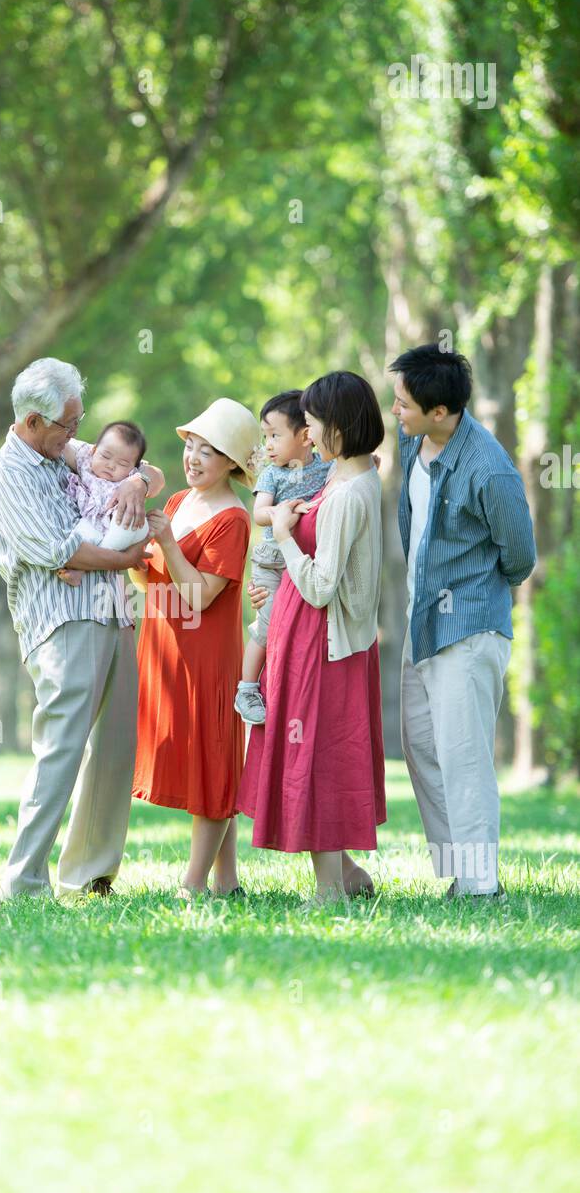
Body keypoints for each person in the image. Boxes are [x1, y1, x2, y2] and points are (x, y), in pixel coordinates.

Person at [0, 356, 164, 900]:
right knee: (60, 749)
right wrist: (131, 555)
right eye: (68, 426)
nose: (77, 436)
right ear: (34, 421)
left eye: (80, 426)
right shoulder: (12, 475)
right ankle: (24, 881)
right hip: (63, 623)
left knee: (113, 748)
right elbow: (63, 552)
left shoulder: (63, 449)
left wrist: (136, 483)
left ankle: (89, 875)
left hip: (112, 614)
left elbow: (142, 467)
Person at [389, 343, 536, 899]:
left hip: (469, 629)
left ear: (441, 412)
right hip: (421, 621)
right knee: (423, 747)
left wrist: (473, 592)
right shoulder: (414, 444)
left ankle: (480, 885)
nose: (396, 412)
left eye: (404, 404)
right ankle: (459, 872)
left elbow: (520, 554)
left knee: (464, 757)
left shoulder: (488, 468)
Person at [237, 371, 386, 904]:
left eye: (317, 422)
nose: (311, 431)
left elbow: (322, 586)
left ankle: (330, 891)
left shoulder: (347, 493)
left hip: (322, 642)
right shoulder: (343, 479)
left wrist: (282, 538)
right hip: (308, 636)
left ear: (337, 428)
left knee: (319, 756)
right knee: (314, 750)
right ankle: (346, 875)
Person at [130, 398, 260, 899]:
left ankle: (193, 882)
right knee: (207, 764)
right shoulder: (179, 502)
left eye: (210, 451)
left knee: (213, 761)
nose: (195, 458)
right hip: (165, 648)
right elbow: (148, 583)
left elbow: (202, 594)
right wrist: (134, 551)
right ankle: (226, 881)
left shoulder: (233, 519)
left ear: (232, 462)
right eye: (192, 447)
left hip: (205, 656)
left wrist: (165, 547)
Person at [235, 389, 333, 724]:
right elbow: (259, 513)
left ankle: (287, 689)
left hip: (304, 564)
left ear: (306, 436)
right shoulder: (272, 474)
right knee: (271, 621)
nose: (268, 446)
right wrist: (281, 511)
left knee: (295, 626)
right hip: (271, 562)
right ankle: (247, 688)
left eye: (275, 436)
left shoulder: (326, 468)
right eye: (265, 437)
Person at [58, 420, 151, 587]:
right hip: (95, 522)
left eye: (122, 464)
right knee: (81, 533)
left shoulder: (132, 479)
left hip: (126, 524)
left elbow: (154, 476)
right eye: (105, 456)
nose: (111, 465)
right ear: (94, 450)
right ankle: (86, 567)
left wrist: (140, 481)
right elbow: (62, 447)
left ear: (133, 468)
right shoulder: (85, 461)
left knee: (122, 524)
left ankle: (83, 569)